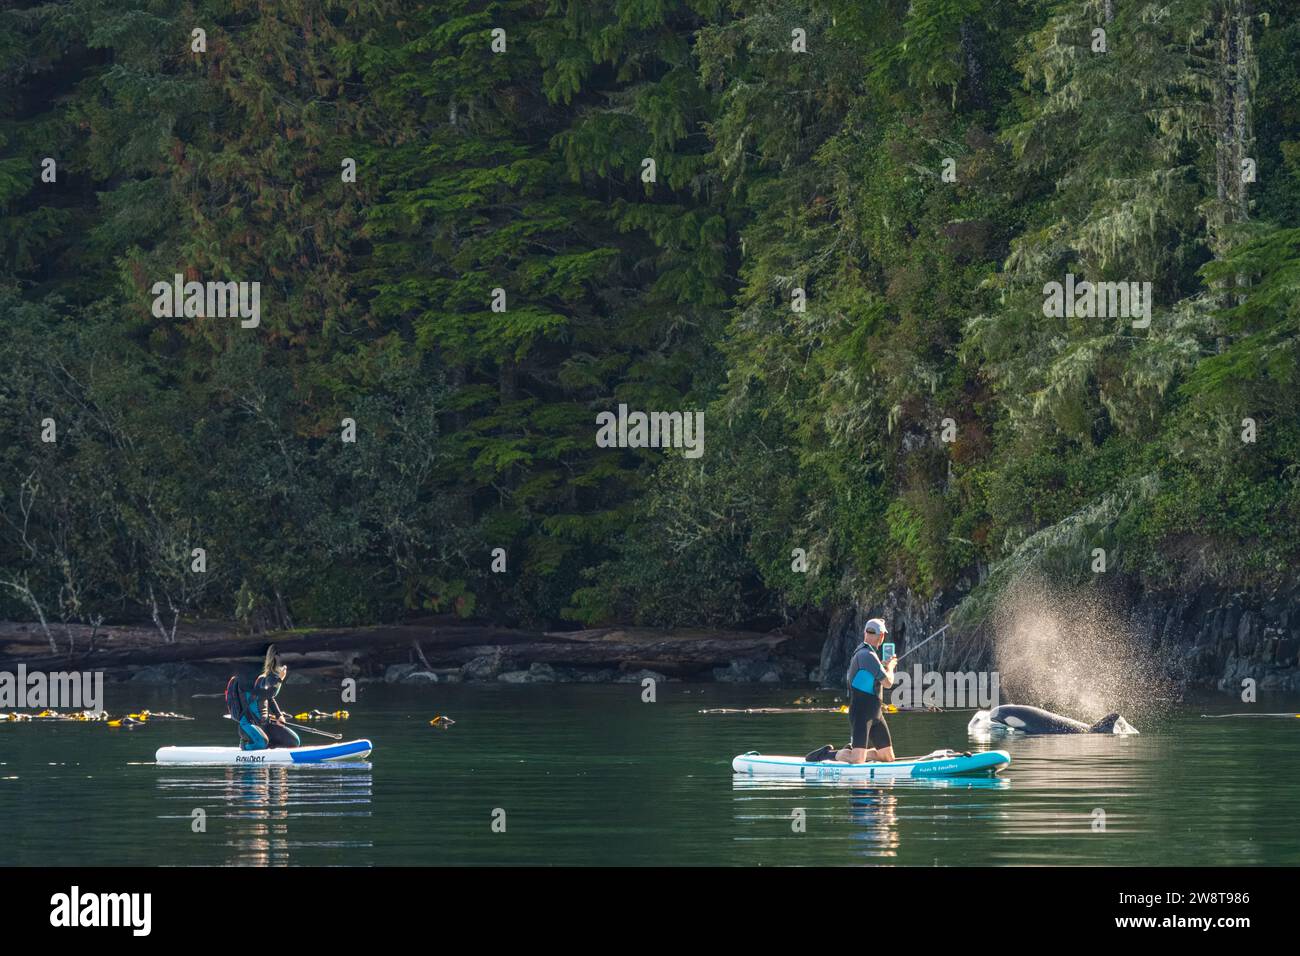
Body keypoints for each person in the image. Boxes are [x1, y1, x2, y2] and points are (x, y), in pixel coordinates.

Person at [806, 618, 897, 764]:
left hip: (876, 714)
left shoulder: (868, 654)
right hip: (861, 714)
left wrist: (884, 667)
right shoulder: (866, 655)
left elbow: (872, 676)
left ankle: (851, 752)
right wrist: (891, 667)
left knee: (888, 757)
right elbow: (887, 683)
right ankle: (827, 754)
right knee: (857, 761)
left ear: (865, 632)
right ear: (881, 636)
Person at [232, 644, 301, 751]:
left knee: (294, 741)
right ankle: (244, 746)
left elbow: (270, 698)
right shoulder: (248, 680)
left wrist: (278, 716)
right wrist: (280, 680)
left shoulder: (265, 679)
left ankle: (267, 746)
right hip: (248, 726)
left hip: (265, 725)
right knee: (260, 743)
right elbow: (267, 694)